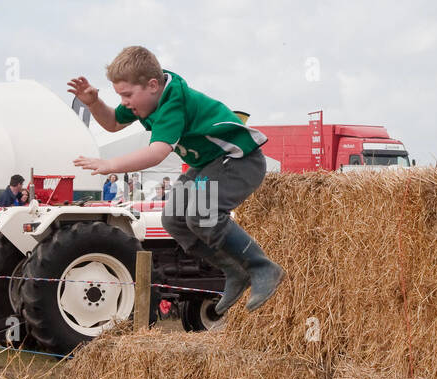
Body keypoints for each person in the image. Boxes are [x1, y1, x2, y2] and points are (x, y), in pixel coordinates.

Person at [68, 47, 285, 314]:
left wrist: (111, 164)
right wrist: (93, 103)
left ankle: (262, 266)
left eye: (126, 95)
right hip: (206, 165)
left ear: (152, 85)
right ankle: (232, 270)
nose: (124, 102)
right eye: (120, 95)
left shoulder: (172, 102)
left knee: (202, 214)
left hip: (238, 160)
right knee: (173, 219)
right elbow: (112, 123)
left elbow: (157, 153)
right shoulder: (147, 100)